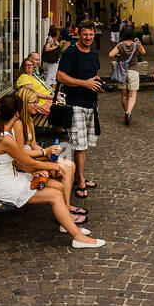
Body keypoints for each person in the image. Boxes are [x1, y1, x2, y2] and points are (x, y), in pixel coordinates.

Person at [0, 92, 100, 248]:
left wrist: (42, 167)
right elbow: (29, 163)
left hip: (10, 177)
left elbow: (21, 162)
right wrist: (54, 166)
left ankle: (66, 224)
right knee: (56, 195)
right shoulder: (6, 139)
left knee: (58, 186)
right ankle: (77, 237)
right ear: (17, 113)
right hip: (2, 186)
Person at [52, 25, 104, 200]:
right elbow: (60, 77)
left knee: (84, 145)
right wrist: (84, 83)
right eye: (85, 34)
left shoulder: (94, 53)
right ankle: (80, 180)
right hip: (75, 105)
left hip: (91, 103)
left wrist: (98, 84)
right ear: (79, 35)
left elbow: (94, 75)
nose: (88, 37)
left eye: (91, 34)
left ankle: (76, 175)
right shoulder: (71, 53)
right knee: (80, 146)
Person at [111, 30, 144, 127]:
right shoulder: (136, 45)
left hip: (122, 71)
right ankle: (129, 112)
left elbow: (110, 54)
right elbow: (143, 53)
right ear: (133, 36)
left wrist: (119, 55)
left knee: (124, 94)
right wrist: (140, 44)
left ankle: (126, 112)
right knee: (132, 94)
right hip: (133, 71)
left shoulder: (120, 45)